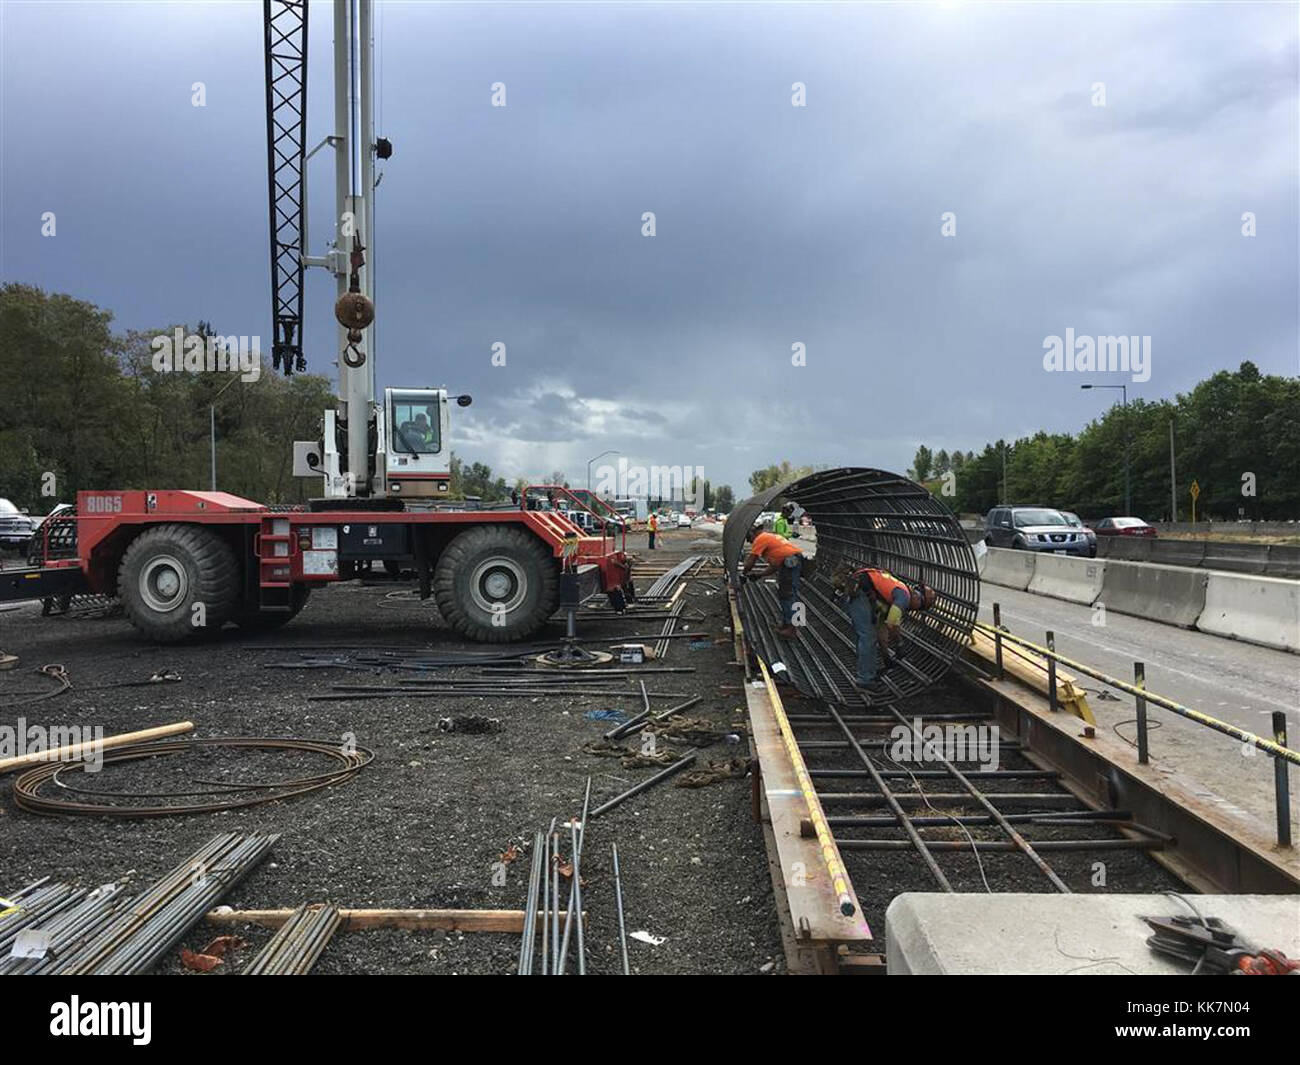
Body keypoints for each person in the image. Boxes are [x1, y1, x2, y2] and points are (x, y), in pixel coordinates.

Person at [831, 564, 937, 689]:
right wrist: (899, 645)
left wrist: (886, 657)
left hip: (859, 591)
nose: (912, 609)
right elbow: (892, 623)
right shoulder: (903, 597)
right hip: (859, 592)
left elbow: (882, 630)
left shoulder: (891, 594)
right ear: (919, 600)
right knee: (867, 636)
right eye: (917, 607)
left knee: (868, 636)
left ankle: (867, 674)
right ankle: (865, 679)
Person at [742, 524, 806, 638]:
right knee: (788, 594)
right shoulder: (769, 538)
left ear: (752, 534)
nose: (751, 543)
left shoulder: (760, 538)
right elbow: (774, 566)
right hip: (792, 561)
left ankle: (792, 629)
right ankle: (787, 624)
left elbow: (751, 561)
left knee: (788, 595)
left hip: (790, 562)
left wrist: (743, 574)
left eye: (749, 540)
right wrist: (759, 575)